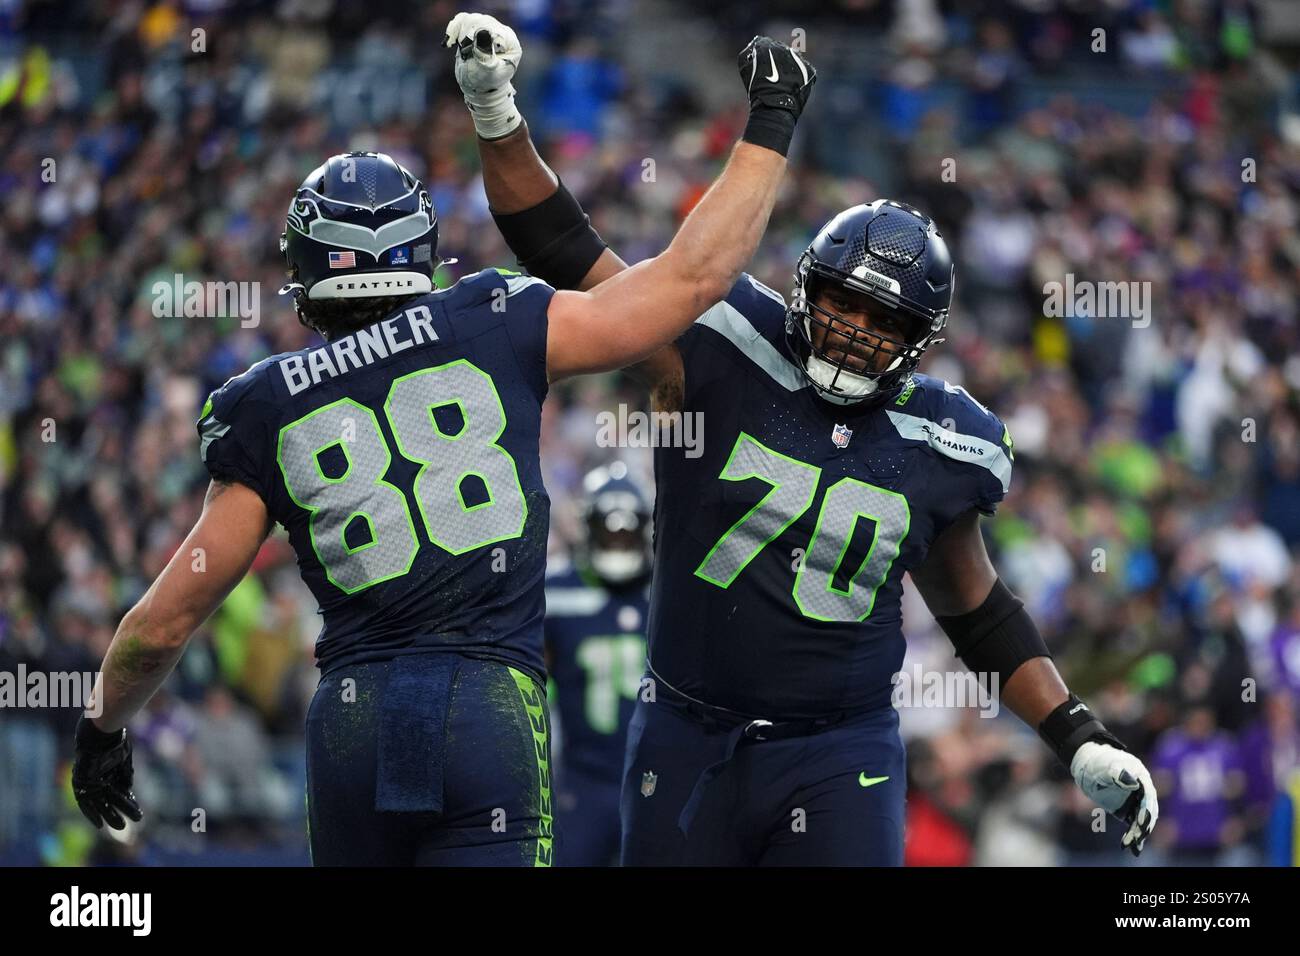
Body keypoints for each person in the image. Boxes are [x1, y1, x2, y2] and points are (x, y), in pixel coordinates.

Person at [68, 24, 817, 866]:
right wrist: (772, 119)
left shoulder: (265, 403)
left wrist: (103, 728)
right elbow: (692, 280)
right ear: (420, 248)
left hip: (352, 715)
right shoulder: (494, 318)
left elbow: (164, 625)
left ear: (308, 267)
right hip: (485, 709)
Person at [449, 11, 1159, 865]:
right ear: (805, 291)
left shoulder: (944, 440)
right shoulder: (721, 344)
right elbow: (562, 247)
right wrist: (496, 114)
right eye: (843, 303)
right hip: (685, 731)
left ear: (922, 336)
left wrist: (1078, 736)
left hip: (839, 753)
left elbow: (978, 615)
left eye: (883, 318)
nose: (856, 330)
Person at [545, 462, 652, 865]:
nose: (619, 541)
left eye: (627, 532)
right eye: (610, 531)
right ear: (590, 526)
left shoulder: (664, 595)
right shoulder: (556, 595)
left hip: (654, 782)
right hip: (582, 779)